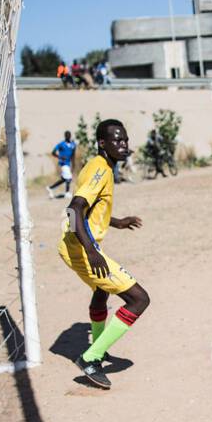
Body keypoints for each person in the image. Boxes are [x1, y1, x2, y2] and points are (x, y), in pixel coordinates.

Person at [58, 119, 149, 389]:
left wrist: (117, 221)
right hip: (81, 247)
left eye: (125, 140)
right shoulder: (100, 169)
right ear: (102, 143)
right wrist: (91, 250)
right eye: (117, 140)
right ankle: (91, 358)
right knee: (139, 299)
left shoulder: (104, 167)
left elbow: (90, 210)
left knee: (101, 290)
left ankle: (98, 345)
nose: (123, 145)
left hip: (76, 244)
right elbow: (74, 210)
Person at [48, 130, 78, 199]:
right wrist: (60, 157)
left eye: (69, 135)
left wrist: (73, 164)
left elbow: (73, 156)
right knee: (69, 177)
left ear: (70, 136)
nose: (68, 136)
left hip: (68, 163)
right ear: (65, 136)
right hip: (63, 163)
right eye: (67, 135)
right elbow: (53, 152)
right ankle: (67, 193)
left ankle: (50, 188)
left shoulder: (73, 145)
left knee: (64, 179)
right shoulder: (61, 144)